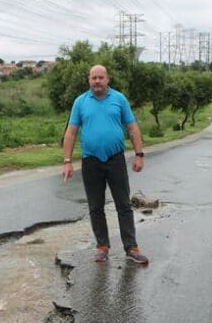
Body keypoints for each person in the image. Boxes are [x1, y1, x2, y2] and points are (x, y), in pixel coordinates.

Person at [62, 65, 149, 266]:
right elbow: (71, 132)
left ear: (107, 79)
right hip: (91, 161)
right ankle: (102, 246)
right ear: (89, 80)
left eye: (101, 77)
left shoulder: (119, 99)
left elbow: (132, 127)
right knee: (95, 206)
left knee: (123, 205)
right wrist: (67, 161)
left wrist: (139, 154)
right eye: (94, 78)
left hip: (115, 160)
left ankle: (131, 247)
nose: (97, 81)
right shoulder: (80, 102)